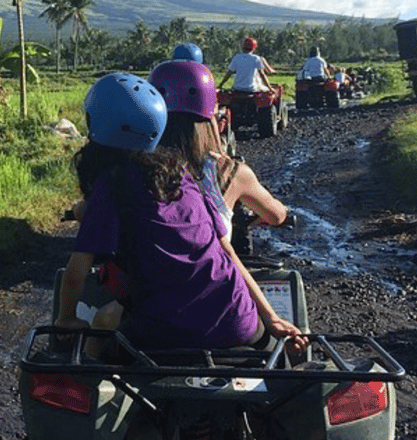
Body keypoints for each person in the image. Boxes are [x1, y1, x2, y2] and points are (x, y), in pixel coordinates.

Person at [55, 72, 307, 356]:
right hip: (237, 321)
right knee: (287, 363)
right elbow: (228, 253)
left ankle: (93, 387)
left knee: (100, 331)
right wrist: (271, 317)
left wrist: (66, 319)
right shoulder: (184, 175)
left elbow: (76, 273)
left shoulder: (111, 185)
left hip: (162, 330)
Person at [148, 60, 302, 343]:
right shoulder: (230, 172)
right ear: (210, 114)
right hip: (221, 309)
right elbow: (276, 215)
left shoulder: (139, 170)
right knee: (278, 345)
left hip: (151, 307)